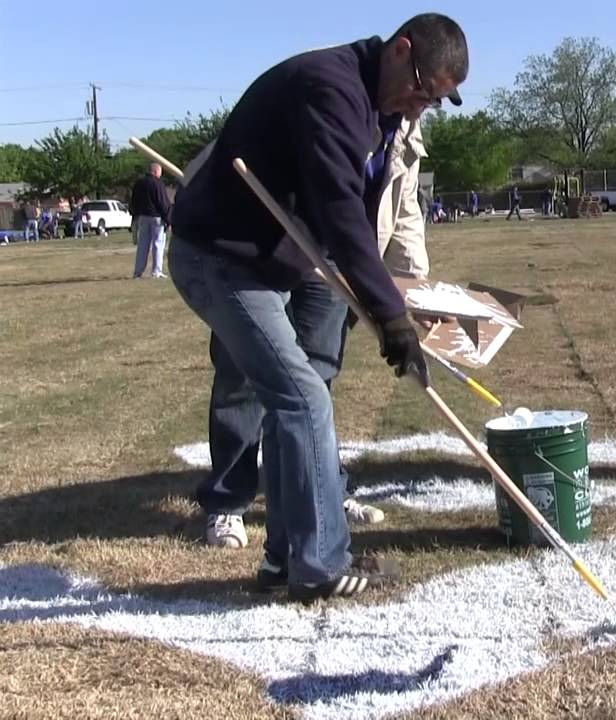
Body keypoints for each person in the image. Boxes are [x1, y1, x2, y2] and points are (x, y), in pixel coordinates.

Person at [168, 13, 465, 601]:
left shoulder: (379, 109)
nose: (417, 109)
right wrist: (389, 317)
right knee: (302, 395)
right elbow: (340, 213)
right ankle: (321, 562)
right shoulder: (329, 89)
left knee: (295, 403)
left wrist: (395, 305)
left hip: (271, 262)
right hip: (219, 259)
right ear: (400, 50)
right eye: (421, 90)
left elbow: (367, 209)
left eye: (431, 102)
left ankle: (284, 557)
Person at [130, 163, 172, 278]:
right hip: (156, 218)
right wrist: (168, 218)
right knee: (158, 244)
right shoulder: (157, 184)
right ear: (156, 171)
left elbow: (134, 200)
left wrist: (134, 214)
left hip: (143, 217)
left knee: (143, 244)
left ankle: (138, 271)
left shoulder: (139, 183)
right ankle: (156, 271)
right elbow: (163, 203)